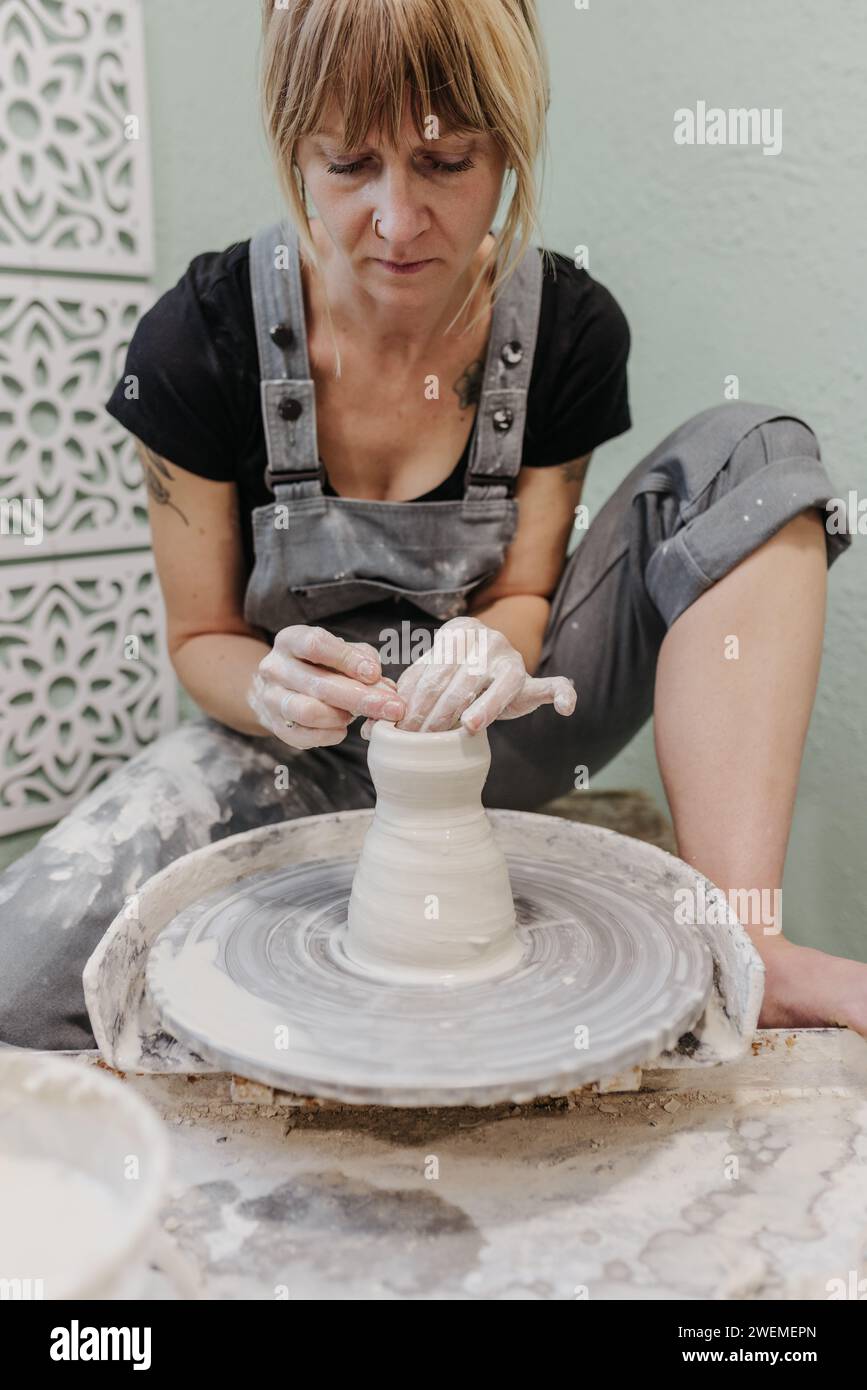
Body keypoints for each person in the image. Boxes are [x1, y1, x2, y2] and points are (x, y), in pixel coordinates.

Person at [0, 0, 858, 1052]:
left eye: (446, 162)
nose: (398, 221)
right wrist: (270, 686)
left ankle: (745, 944)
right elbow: (198, 643)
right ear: (293, 150)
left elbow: (526, 592)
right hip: (299, 748)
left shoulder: (570, 331)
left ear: (507, 148)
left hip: (510, 725)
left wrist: (493, 638)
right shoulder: (195, 342)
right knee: (18, 983)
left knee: (755, 449)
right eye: (349, 163)